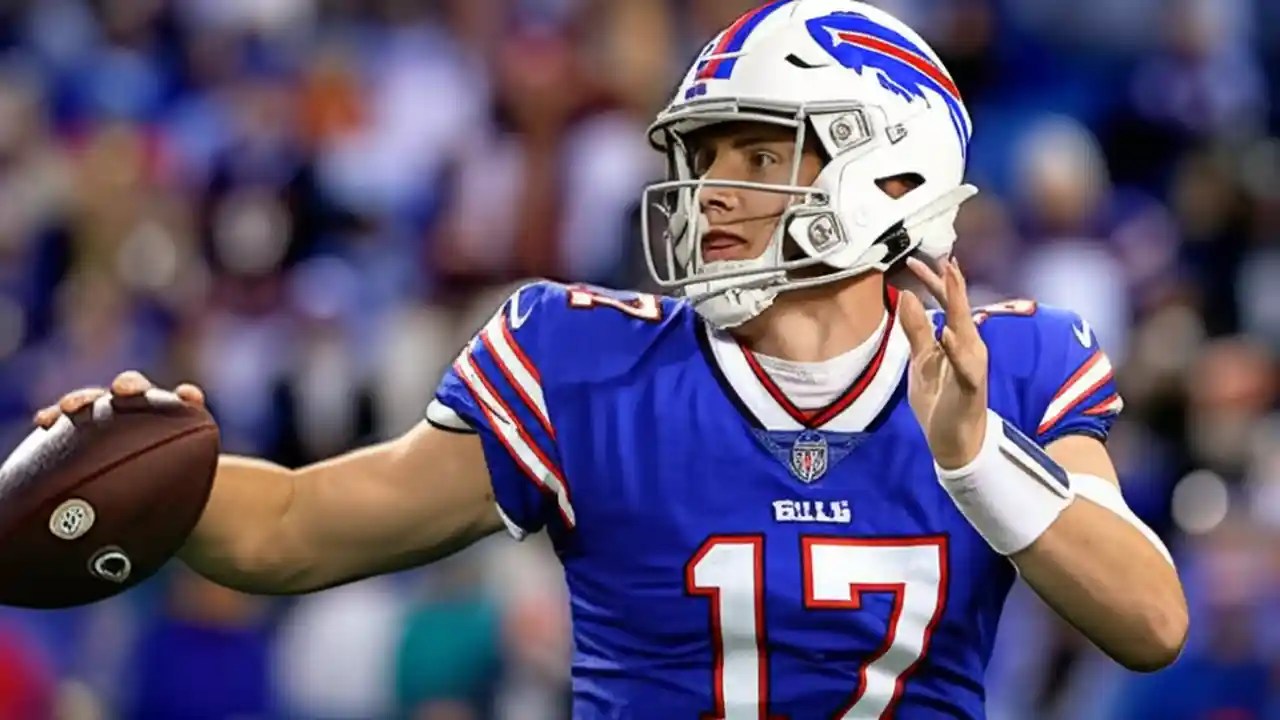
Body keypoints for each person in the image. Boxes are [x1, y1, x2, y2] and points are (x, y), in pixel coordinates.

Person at [32, 1, 1188, 716]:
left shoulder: (1008, 364)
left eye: (756, 153)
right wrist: (144, 477)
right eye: (703, 154)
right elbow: (298, 529)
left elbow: (1149, 623)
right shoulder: (583, 362)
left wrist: (974, 457)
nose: (710, 190)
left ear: (889, 173)